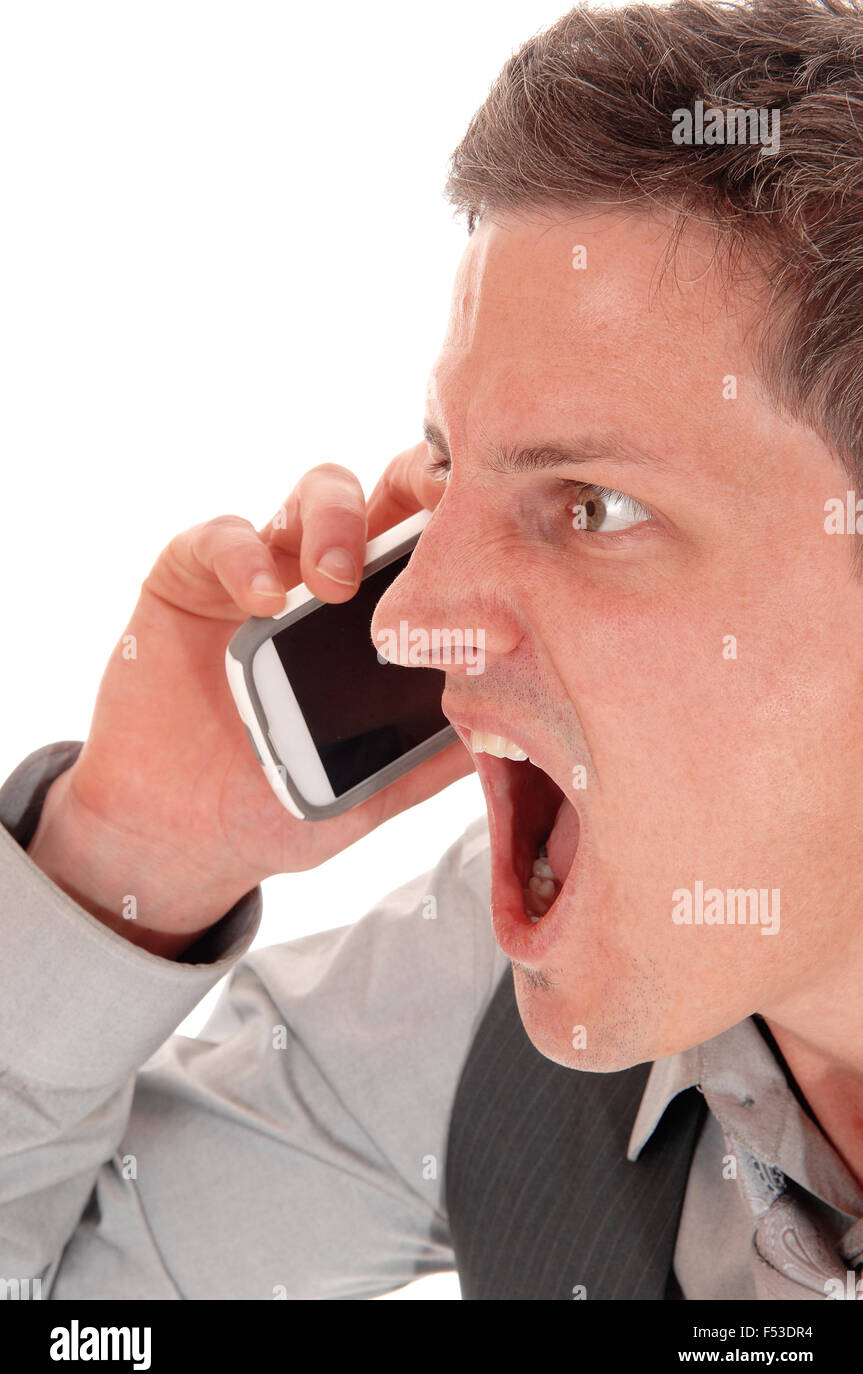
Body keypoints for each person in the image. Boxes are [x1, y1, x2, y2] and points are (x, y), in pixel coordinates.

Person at [3, 0, 863, 1301]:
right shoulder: (481, 1001)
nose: (407, 620)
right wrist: (120, 856)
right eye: (450, 468)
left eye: (591, 504)